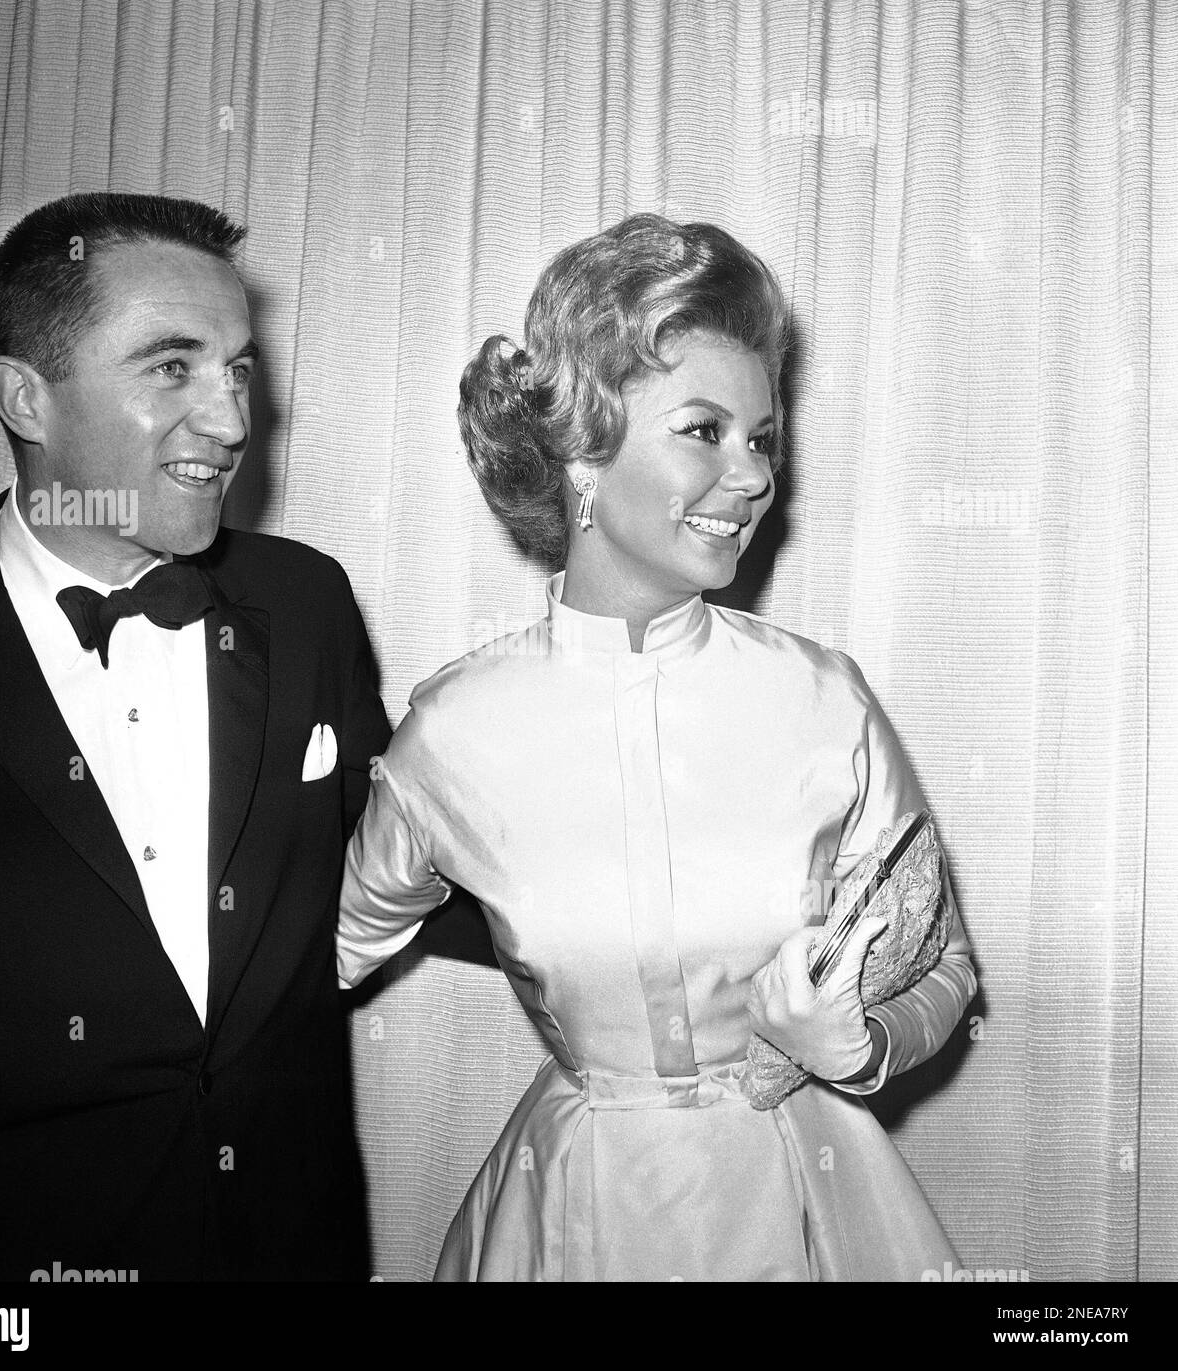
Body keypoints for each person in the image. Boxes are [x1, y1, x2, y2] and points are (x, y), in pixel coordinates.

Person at [337, 213, 978, 1281]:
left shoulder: (824, 700)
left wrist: (861, 1048)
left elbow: (943, 962)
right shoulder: (451, 734)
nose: (754, 475)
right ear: (583, 454)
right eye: (703, 431)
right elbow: (317, 956)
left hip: (808, 1196)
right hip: (574, 1217)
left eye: (761, 437)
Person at [0, 192, 391, 1280]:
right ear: (25, 396)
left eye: (239, 369)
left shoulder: (305, 605)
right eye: (173, 367)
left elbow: (399, 851)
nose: (232, 420)